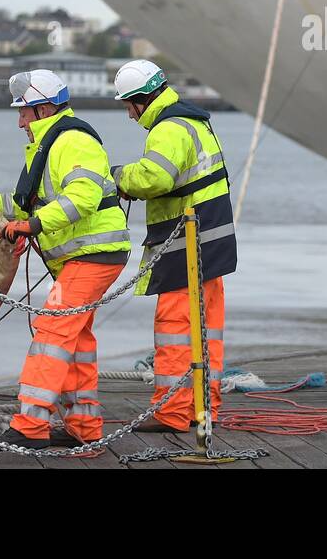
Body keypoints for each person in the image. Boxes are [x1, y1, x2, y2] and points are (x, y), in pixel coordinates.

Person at [0, 69, 131, 450]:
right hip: (84, 257)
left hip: (94, 255)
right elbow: (23, 203)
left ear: (43, 109)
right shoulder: (49, 144)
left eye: (23, 114)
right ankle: (84, 429)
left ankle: (30, 427)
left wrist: (32, 226)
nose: (19, 123)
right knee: (75, 340)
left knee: (51, 334)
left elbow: (82, 197)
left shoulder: (73, 141)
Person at [110, 60, 237, 433]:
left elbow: (155, 178)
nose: (130, 116)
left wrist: (118, 176)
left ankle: (173, 412)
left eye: (128, 106)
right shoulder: (194, 121)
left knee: (176, 329)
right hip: (211, 244)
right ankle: (203, 407)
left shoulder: (168, 129)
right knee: (207, 330)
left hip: (187, 248)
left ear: (140, 100)